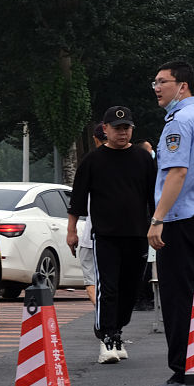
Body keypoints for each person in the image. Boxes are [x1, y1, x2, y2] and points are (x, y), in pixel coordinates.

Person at [147, 61, 194, 386]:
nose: (157, 87)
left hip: (177, 221)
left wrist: (157, 218)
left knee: (177, 297)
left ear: (183, 86)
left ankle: (181, 370)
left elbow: (175, 173)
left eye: (163, 82)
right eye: (155, 82)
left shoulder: (179, 123)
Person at [68, 107, 157, 364]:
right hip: (105, 235)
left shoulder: (142, 158)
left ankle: (117, 330)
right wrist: (71, 230)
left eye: (127, 128)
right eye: (117, 128)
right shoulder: (93, 160)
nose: (122, 132)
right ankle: (106, 338)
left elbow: (154, 196)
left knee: (130, 288)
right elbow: (77, 199)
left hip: (138, 233)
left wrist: (158, 224)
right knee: (109, 287)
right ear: (105, 129)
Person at [77, 123, 108, 308]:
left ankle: (103, 318)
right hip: (115, 237)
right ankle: (107, 321)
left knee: (92, 282)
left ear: (95, 139)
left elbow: (76, 204)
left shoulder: (89, 163)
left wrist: (71, 230)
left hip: (91, 238)